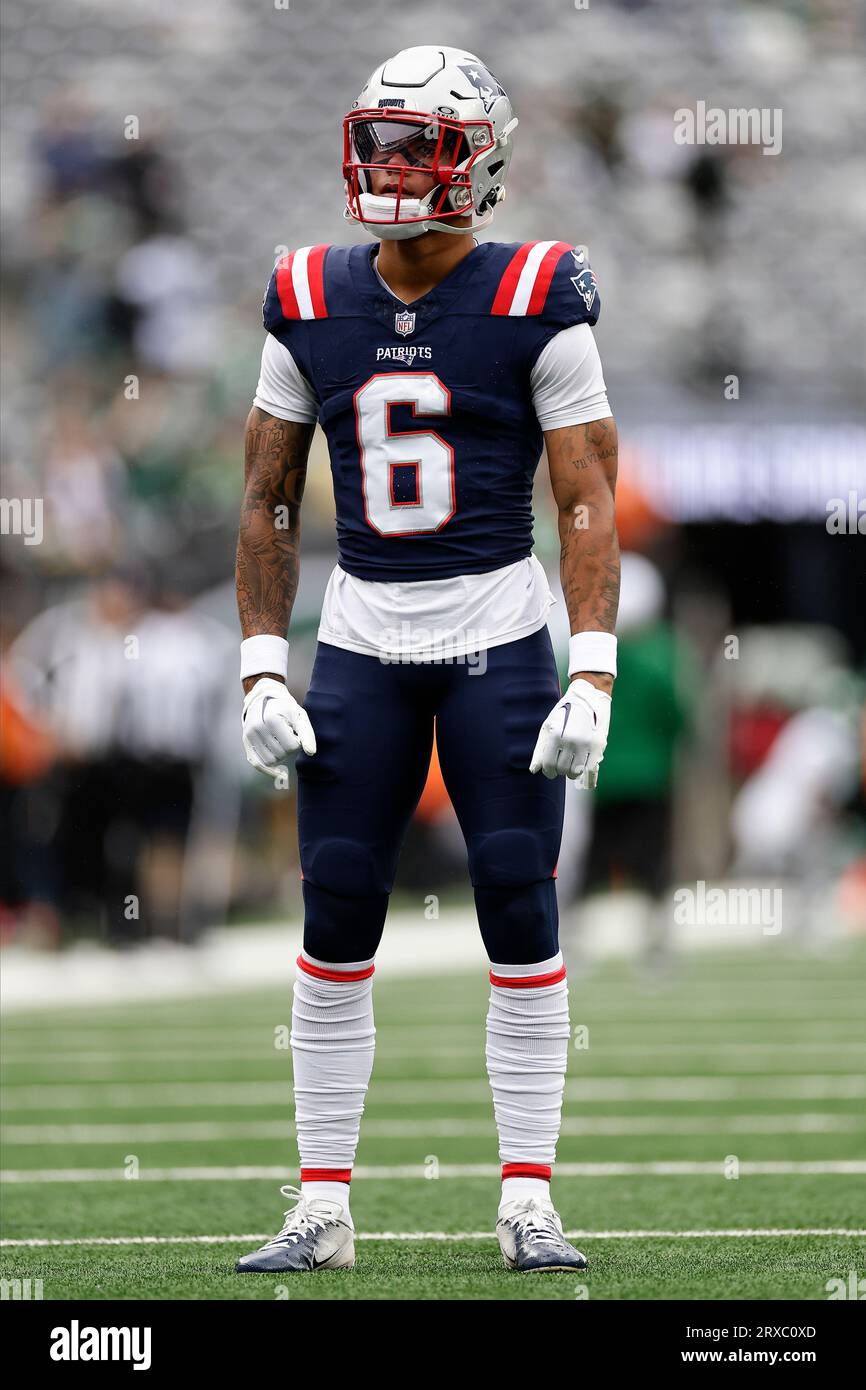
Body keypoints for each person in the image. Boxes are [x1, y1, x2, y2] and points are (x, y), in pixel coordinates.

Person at [234, 46, 620, 1275]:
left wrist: (594, 666)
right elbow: (264, 499)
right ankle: (320, 1204)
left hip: (496, 630)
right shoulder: (306, 290)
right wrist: (256, 663)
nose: (392, 166)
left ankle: (524, 1198)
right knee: (336, 901)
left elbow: (586, 498)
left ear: (480, 161)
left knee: (515, 890)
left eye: (421, 146)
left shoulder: (538, 291)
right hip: (359, 632)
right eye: (382, 141)